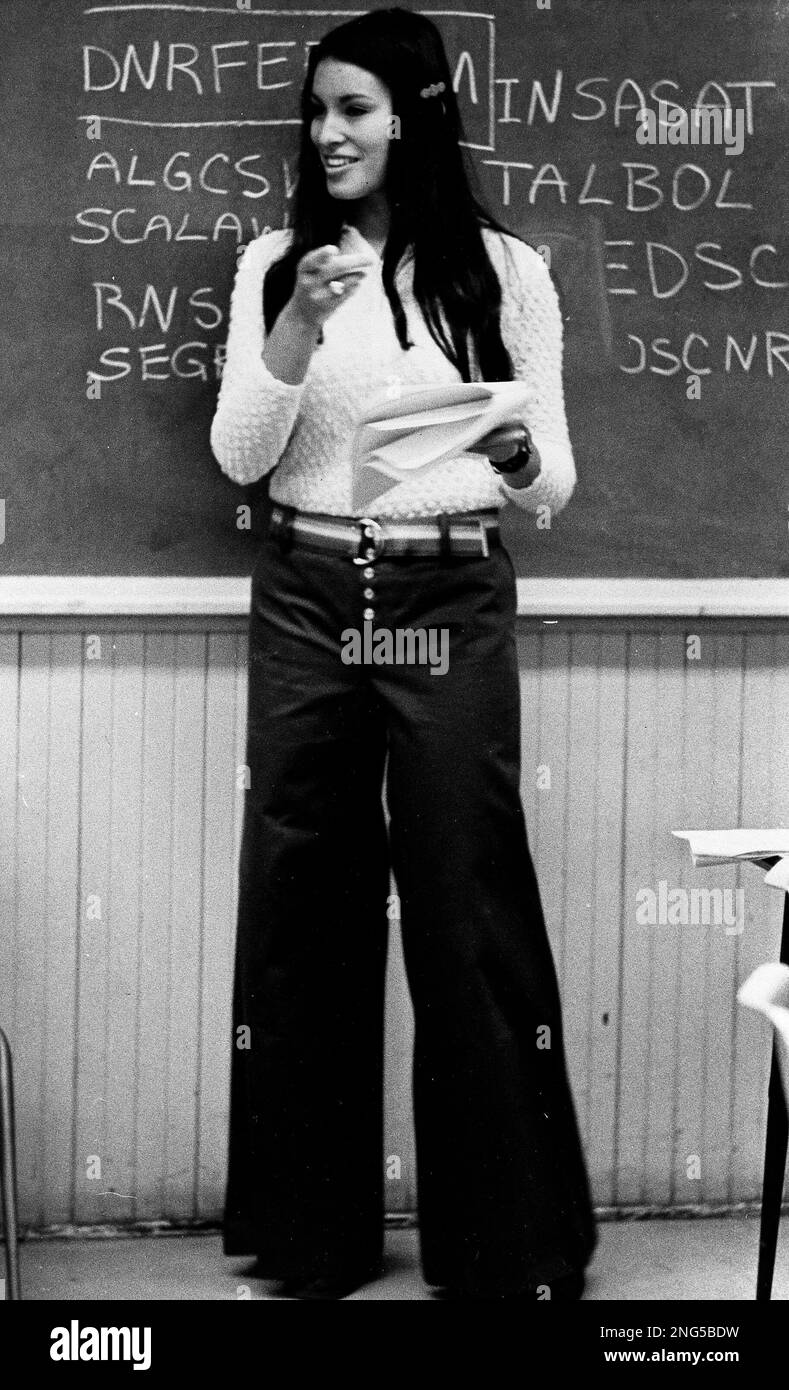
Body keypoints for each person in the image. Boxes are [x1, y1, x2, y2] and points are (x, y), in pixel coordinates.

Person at [210, 5, 596, 1301]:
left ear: (414, 117)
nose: (326, 133)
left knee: (465, 901)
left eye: (354, 109)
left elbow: (552, 484)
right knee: (303, 898)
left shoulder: (504, 271)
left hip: (445, 598)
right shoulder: (280, 258)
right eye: (315, 110)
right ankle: (308, 1239)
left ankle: (506, 1244)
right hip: (313, 590)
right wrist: (292, 331)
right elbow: (238, 455)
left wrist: (512, 454)